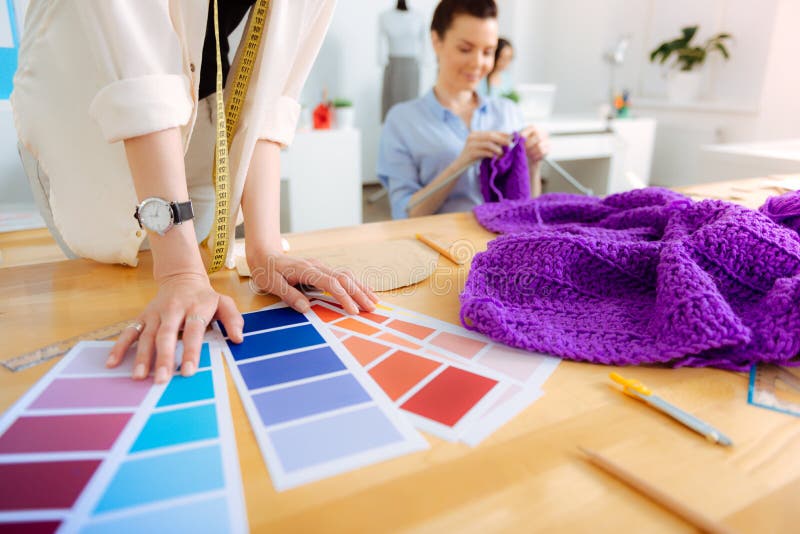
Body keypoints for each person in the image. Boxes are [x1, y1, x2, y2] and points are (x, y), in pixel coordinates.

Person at [11, 0, 377, 385]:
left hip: (199, 112)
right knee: (109, 282)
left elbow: (269, 87)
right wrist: (180, 270)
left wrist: (264, 248)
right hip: (84, 107)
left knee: (184, 293)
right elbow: (134, 59)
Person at [377, 0, 548, 220]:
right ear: (436, 41)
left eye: (488, 52)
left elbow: (526, 209)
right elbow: (405, 213)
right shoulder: (402, 121)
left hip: (502, 246)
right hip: (437, 247)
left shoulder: (508, 113)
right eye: (465, 49)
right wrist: (461, 163)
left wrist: (533, 164)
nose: (478, 63)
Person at [378, 0, 427, 121]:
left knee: (411, 110)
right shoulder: (384, 17)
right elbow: (379, 46)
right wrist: (381, 61)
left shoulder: (418, 17)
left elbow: (425, 44)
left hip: (411, 68)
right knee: (392, 110)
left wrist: (426, 62)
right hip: (392, 67)